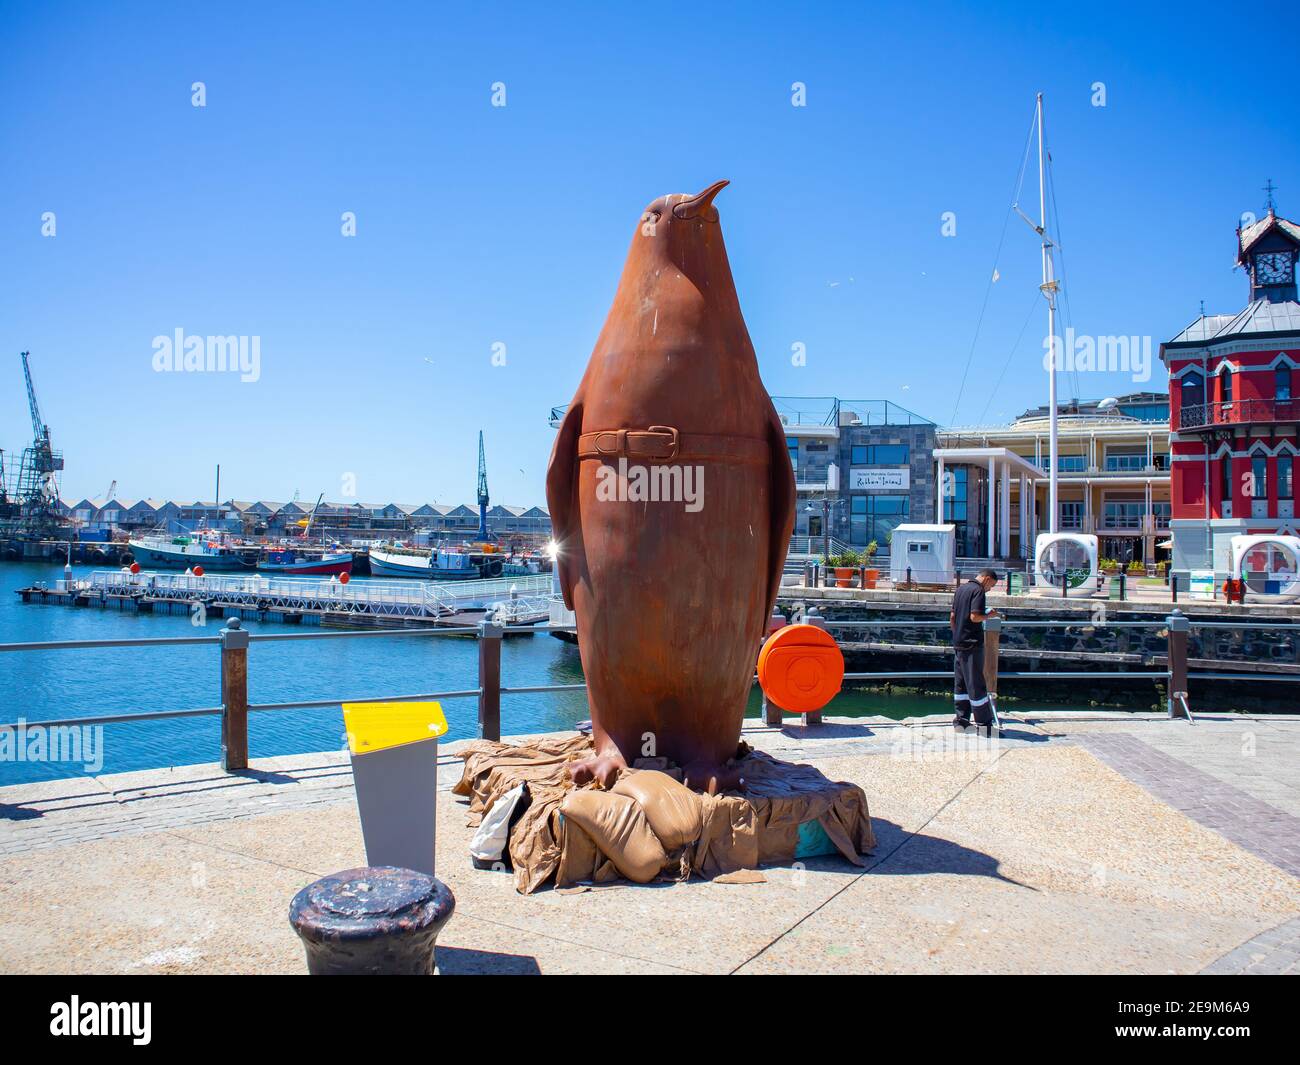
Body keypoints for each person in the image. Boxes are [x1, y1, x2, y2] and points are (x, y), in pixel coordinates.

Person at [950, 568, 999, 729]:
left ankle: (961, 722)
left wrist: (957, 634)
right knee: (976, 684)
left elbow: (952, 617)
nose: (989, 589)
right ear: (987, 579)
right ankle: (984, 725)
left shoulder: (961, 589)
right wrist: (990, 615)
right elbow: (974, 617)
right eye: (991, 585)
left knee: (961, 685)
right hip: (972, 644)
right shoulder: (978, 591)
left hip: (959, 643)